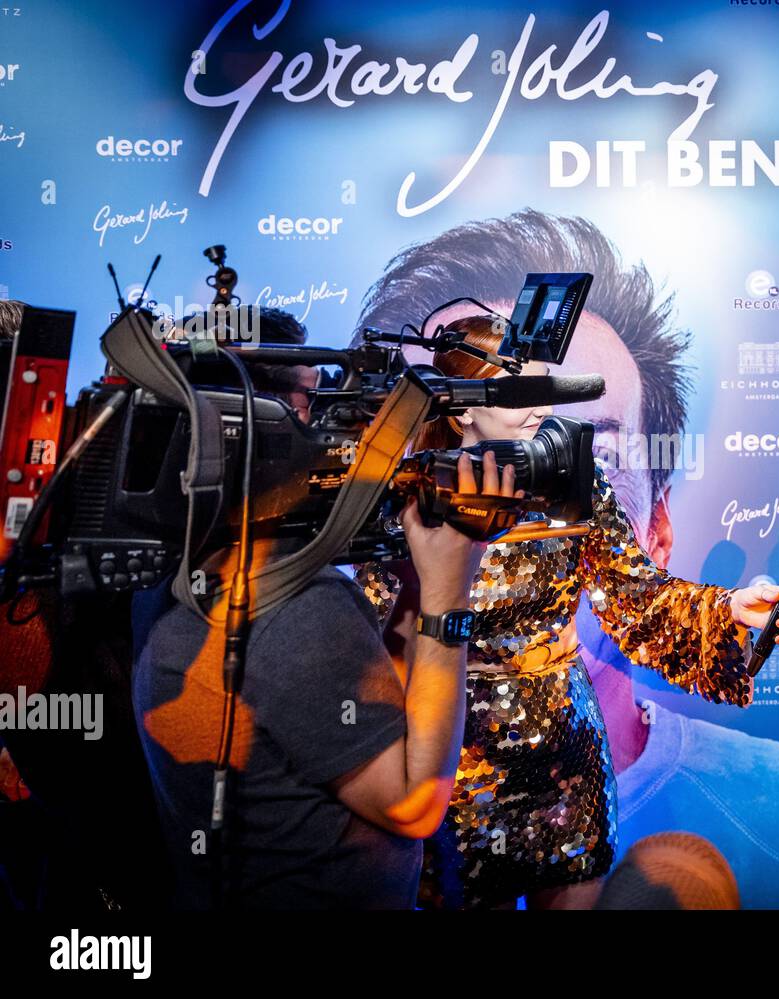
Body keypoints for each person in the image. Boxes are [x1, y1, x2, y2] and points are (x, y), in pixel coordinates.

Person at [357, 208, 779, 908]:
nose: (540, 400)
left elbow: (636, 599)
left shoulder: (575, 482)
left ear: (660, 518)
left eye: (598, 438)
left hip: (564, 753)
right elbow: (361, 628)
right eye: (512, 381)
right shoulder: (408, 491)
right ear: (456, 402)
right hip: (444, 759)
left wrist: (727, 611)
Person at [132, 313, 517, 907]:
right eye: (316, 402)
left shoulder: (184, 566)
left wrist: (416, 587)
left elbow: (367, 715)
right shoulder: (291, 607)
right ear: (250, 427)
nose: (343, 427)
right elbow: (415, 804)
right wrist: (449, 595)